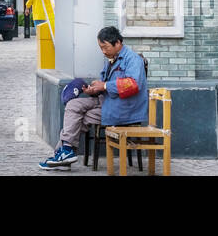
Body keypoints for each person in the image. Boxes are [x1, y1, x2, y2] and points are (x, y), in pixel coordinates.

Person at [40, 26, 148, 169]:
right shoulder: (110, 59)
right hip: (106, 101)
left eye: (105, 47)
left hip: (124, 108)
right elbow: (105, 84)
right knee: (73, 105)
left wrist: (104, 86)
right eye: (100, 47)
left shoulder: (133, 59)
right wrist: (94, 90)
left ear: (118, 43)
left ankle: (64, 154)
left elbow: (133, 84)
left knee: (79, 119)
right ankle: (65, 153)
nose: (103, 51)